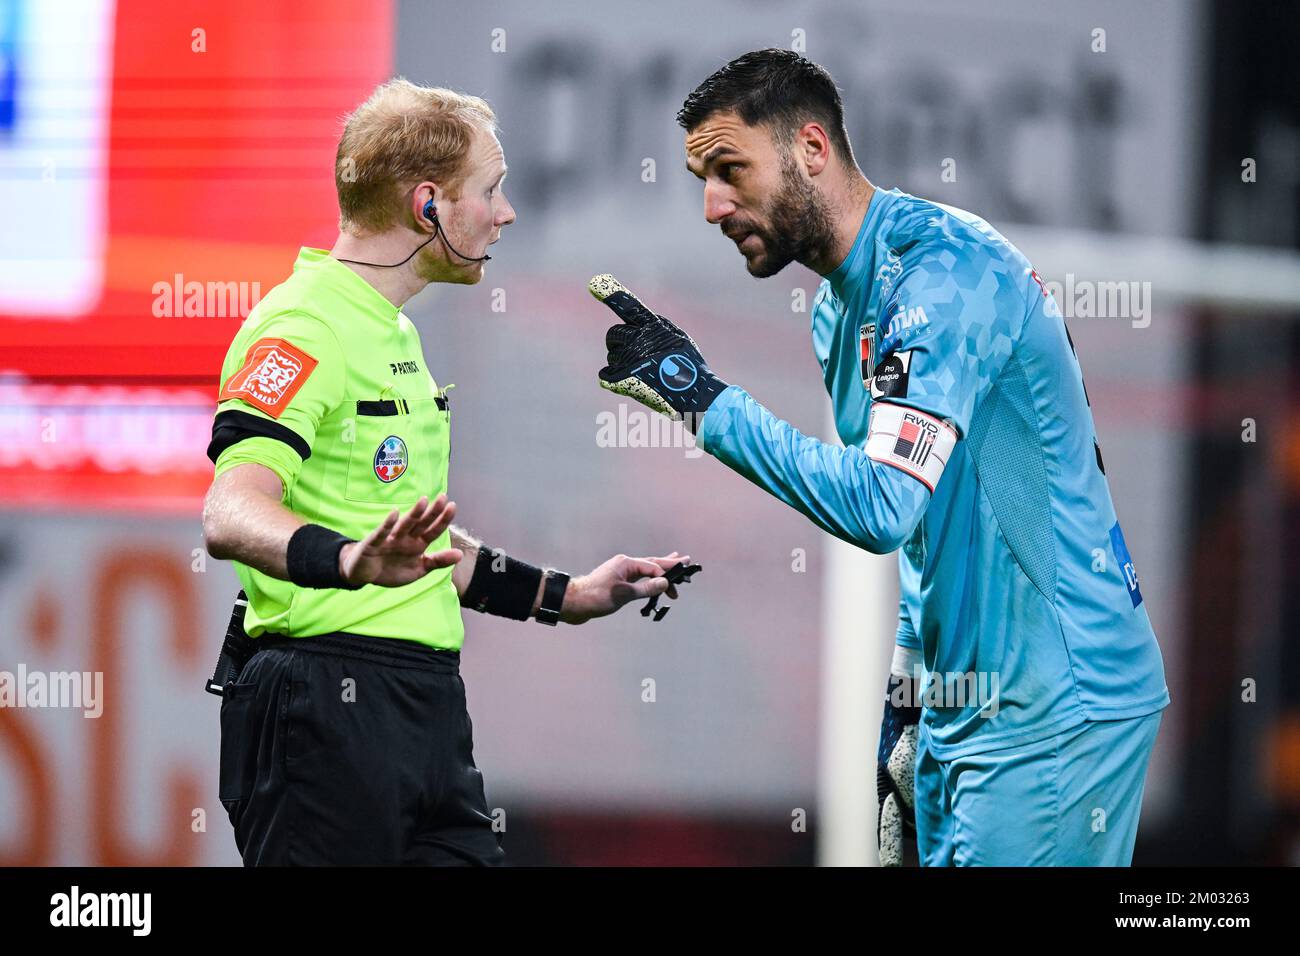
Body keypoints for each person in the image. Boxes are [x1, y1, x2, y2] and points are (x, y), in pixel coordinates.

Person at [589, 49, 1169, 866]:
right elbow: (925, 532)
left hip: (1055, 708)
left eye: (729, 169)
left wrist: (702, 400)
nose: (713, 205)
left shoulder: (943, 278)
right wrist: (908, 700)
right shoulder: (840, 310)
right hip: (966, 705)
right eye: (701, 180)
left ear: (811, 150)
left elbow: (880, 506)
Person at [202, 78, 689, 866]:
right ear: (428, 205)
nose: (507, 212)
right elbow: (230, 512)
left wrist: (571, 595)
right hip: (322, 703)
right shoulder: (304, 326)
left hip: (424, 708)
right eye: (491, 190)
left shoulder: (391, 332)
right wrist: (349, 559)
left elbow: (423, 552)